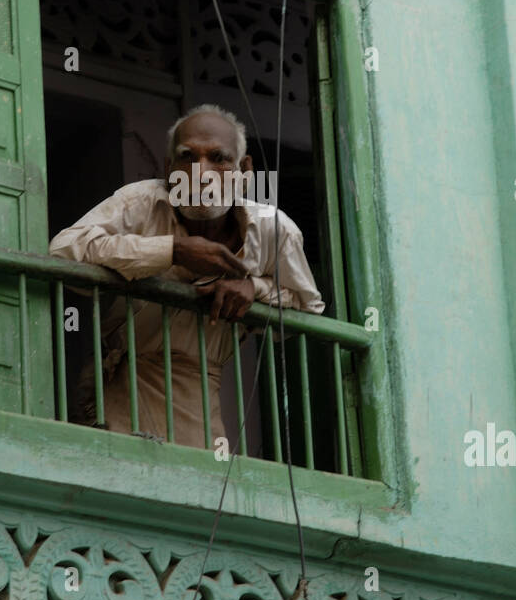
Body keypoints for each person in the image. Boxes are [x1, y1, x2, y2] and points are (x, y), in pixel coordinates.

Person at [48, 104, 324, 449]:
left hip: (200, 394)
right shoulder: (140, 203)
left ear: (245, 169)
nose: (201, 172)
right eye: (187, 157)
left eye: (219, 158)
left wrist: (255, 287)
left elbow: (307, 304)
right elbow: (63, 250)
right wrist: (172, 250)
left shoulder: (273, 230)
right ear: (169, 169)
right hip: (124, 383)